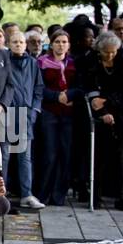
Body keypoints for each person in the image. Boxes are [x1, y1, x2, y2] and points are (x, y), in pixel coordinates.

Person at [78, 31, 123, 210]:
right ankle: (96, 195)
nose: (110, 55)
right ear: (99, 50)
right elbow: (90, 92)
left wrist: (108, 101)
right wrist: (103, 111)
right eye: (106, 52)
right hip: (98, 115)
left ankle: (122, 196)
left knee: (121, 157)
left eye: (113, 52)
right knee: (98, 157)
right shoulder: (91, 64)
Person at [35, 29, 78, 206]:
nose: (61, 45)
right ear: (51, 44)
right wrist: (56, 96)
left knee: (65, 153)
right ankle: (43, 193)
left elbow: (81, 85)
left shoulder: (73, 64)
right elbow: (38, 87)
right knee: (49, 154)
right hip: (49, 111)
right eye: (58, 41)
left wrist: (70, 96)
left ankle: (59, 195)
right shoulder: (41, 63)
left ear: (68, 45)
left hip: (68, 113)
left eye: (64, 42)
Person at [4, 29, 46, 210]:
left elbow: (39, 88)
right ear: (9, 44)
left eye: (21, 42)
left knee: (25, 157)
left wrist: (35, 110)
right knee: (4, 156)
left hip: (26, 114)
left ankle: (26, 194)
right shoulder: (3, 62)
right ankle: (1, 193)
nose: (18, 45)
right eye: (15, 42)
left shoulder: (33, 63)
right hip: (6, 113)